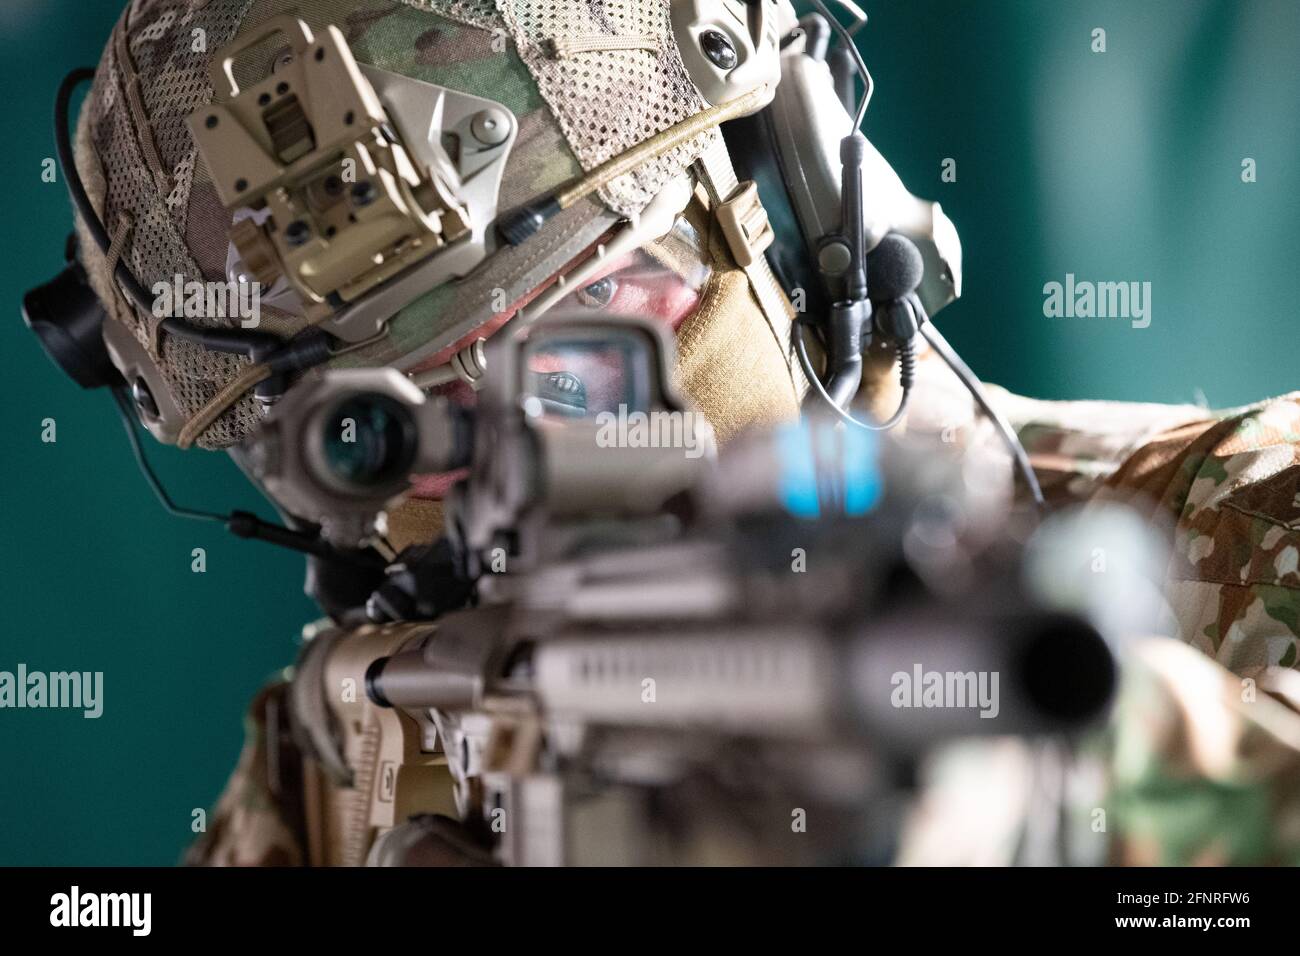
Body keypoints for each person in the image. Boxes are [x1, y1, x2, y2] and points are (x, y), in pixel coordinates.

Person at [34, 0, 1300, 865]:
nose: (534, 427)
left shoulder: (1250, 526)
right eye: (412, 413)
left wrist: (1073, 789)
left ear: (794, 196)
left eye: (596, 321)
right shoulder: (345, 755)